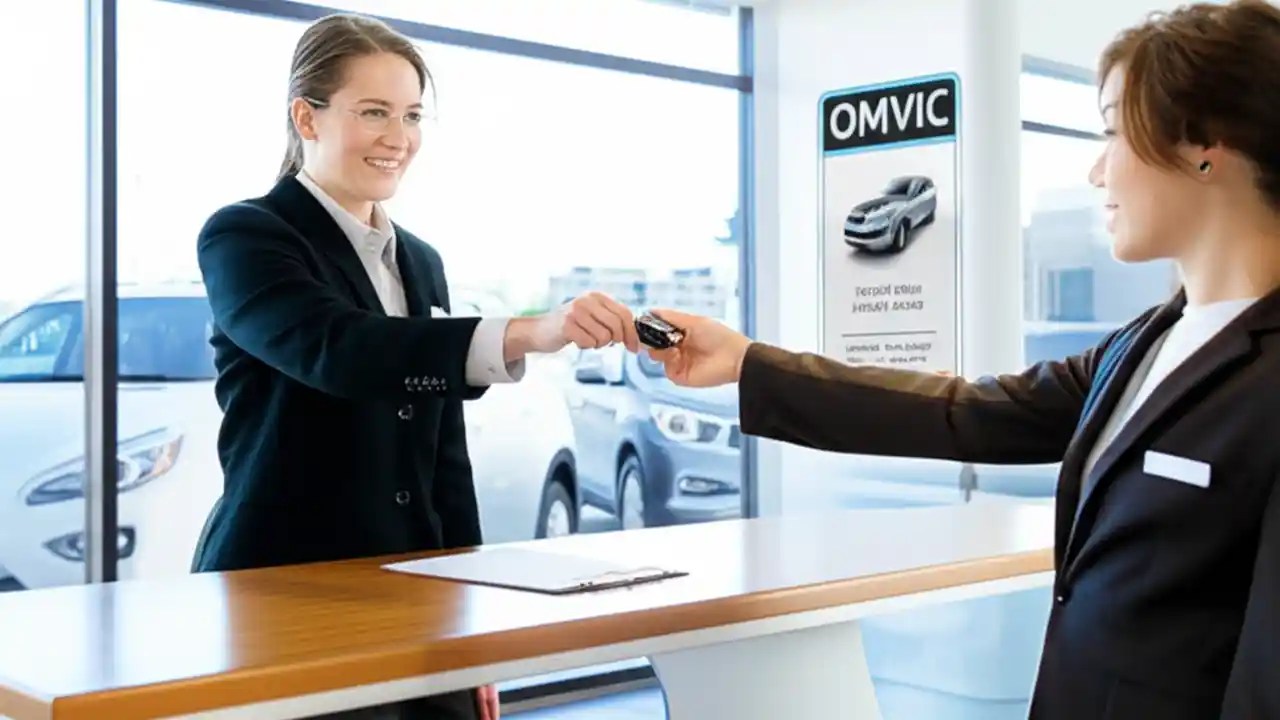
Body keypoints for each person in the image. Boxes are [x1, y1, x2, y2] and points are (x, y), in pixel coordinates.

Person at [645, 2, 1280, 718]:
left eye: (1111, 129)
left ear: (1206, 146)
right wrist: (748, 363)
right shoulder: (1148, 341)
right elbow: (969, 412)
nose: (1098, 168)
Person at [191, 13, 638, 720]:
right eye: (373, 112)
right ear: (306, 118)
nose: (398, 138)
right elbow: (341, 352)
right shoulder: (245, 235)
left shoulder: (421, 260)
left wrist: (476, 628)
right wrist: (529, 333)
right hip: (288, 597)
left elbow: (441, 459)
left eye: (410, 115)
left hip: (423, 597)